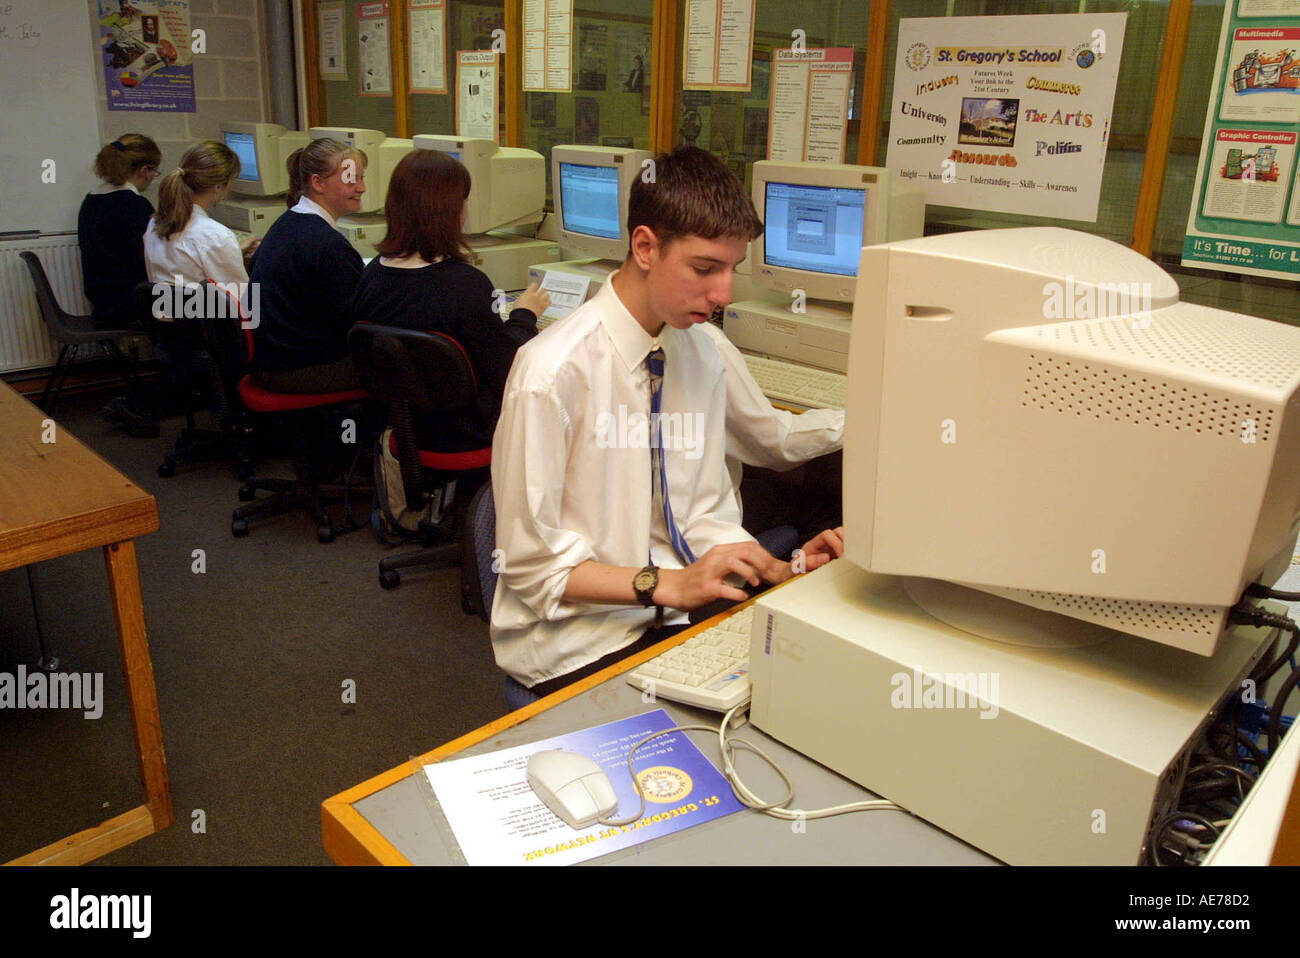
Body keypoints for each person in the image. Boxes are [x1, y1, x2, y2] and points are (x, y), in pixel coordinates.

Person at [491, 146, 845, 708]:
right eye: (705, 269)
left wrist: (782, 569)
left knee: (820, 692)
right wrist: (668, 585)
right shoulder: (552, 374)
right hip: (582, 640)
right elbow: (531, 570)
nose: (724, 293)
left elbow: (699, 514)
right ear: (646, 246)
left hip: (677, 615)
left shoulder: (701, 349)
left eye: (732, 270)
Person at [247, 137, 368, 393]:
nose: (362, 187)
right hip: (297, 370)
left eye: (362, 177)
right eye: (350, 179)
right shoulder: (327, 244)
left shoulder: (287, 223)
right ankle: (380, 433)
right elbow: (358, 321)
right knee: (405, 367)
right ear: (317, 182)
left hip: (273, 362)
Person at [144, 140, 257, 294]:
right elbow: (243, 303)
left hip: (166, 314)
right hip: (209, 317)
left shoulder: (154, 224)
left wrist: (234, 250)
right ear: (218, 186)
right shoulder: (216, 235)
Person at [78, 134, 161, 331]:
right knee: (203, 303)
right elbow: (153, 257)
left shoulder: (91, 199)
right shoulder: (134, 205)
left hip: (103, 299)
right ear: (144, 170)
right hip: (128, 303)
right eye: (154, 172)